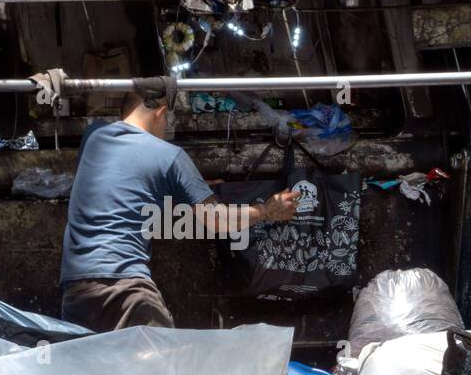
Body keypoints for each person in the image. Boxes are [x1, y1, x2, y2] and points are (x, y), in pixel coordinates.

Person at [60, 90, 298, 331]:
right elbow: (217, 220)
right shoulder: (169, 155)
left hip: (75, 288)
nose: (165, 129)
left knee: (92, 365)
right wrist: (267, 210)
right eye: (167, 121)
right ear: (160, 112)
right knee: (163, 362)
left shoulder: (93, 137)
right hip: (125, 287)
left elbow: (126, 180)